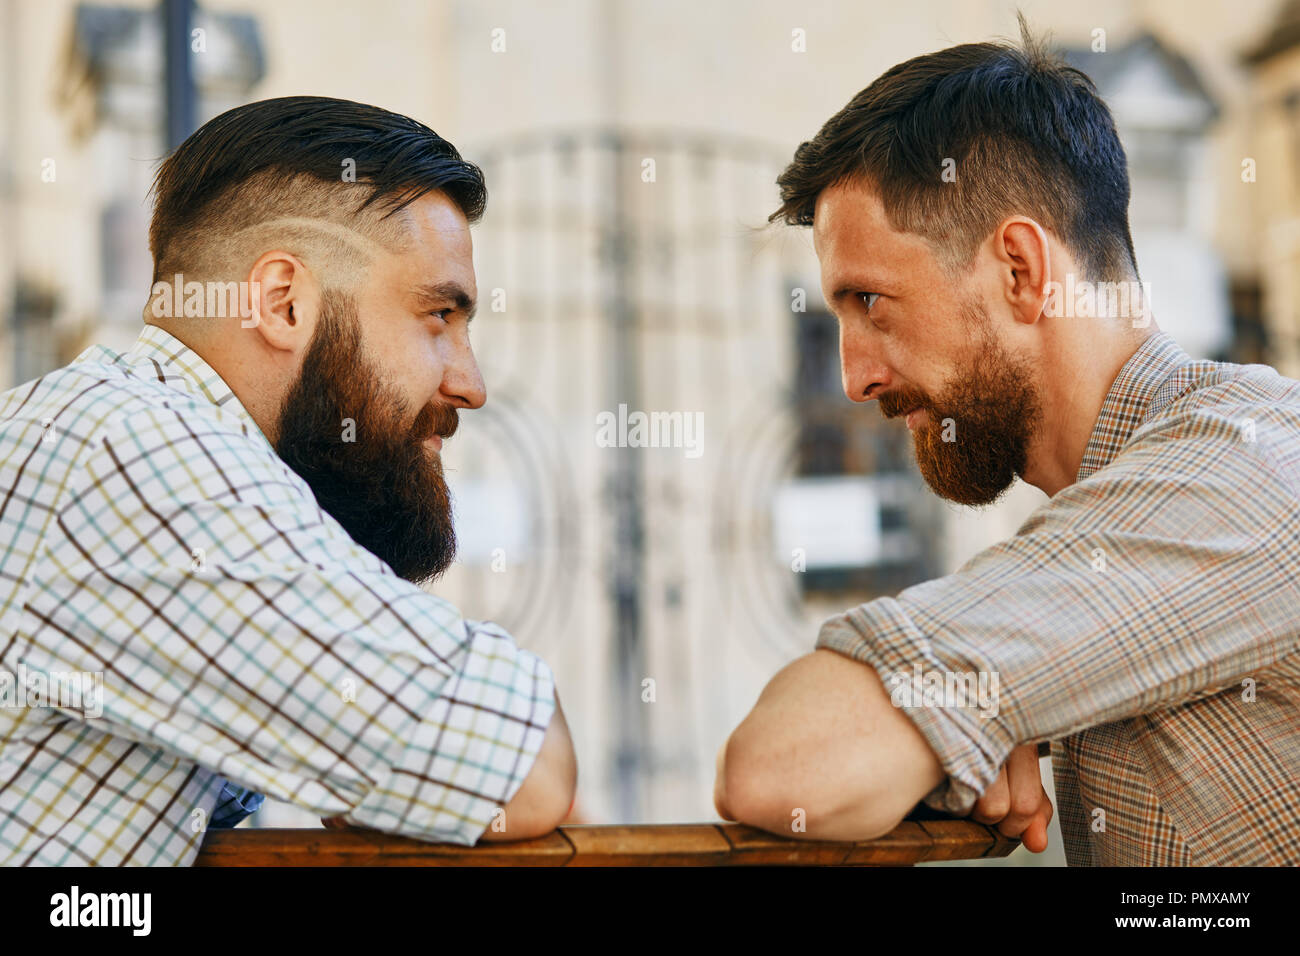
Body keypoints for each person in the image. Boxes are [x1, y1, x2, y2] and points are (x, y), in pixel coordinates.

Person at [714, 19, 1300, 865]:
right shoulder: (1175, 488)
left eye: (871, 303)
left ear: (1022, 271)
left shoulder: (1226, 484)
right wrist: (979, 719)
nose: (854, 379)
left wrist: (958, 709)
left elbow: (783, 768)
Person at [0, 96, 576, 866]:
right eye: (439, 315)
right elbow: (525, 771)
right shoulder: (148, 459)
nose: (470, 384)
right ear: (283, 303)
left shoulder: (98, 426)